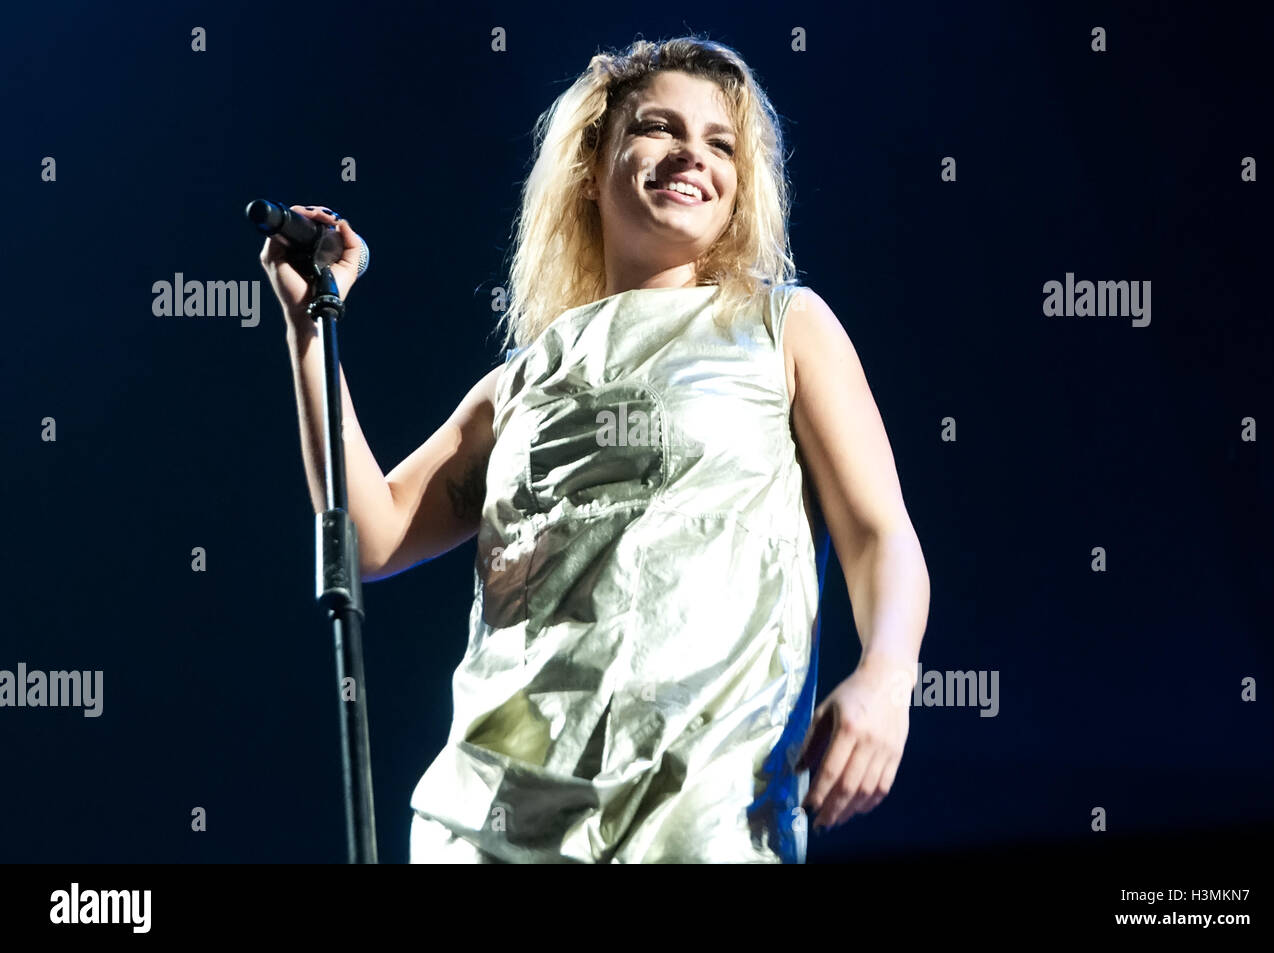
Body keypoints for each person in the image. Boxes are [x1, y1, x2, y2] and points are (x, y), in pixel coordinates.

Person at [261, 36, 930, 864]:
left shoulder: (783, 328)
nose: (693, 154)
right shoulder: (519, 385)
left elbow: (880, 533)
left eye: (721, 142)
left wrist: (889, 673)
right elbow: (369, 535)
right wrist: (309, 324)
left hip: (703, 811)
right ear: (593, 160)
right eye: (660, 128)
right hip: (496, 813)